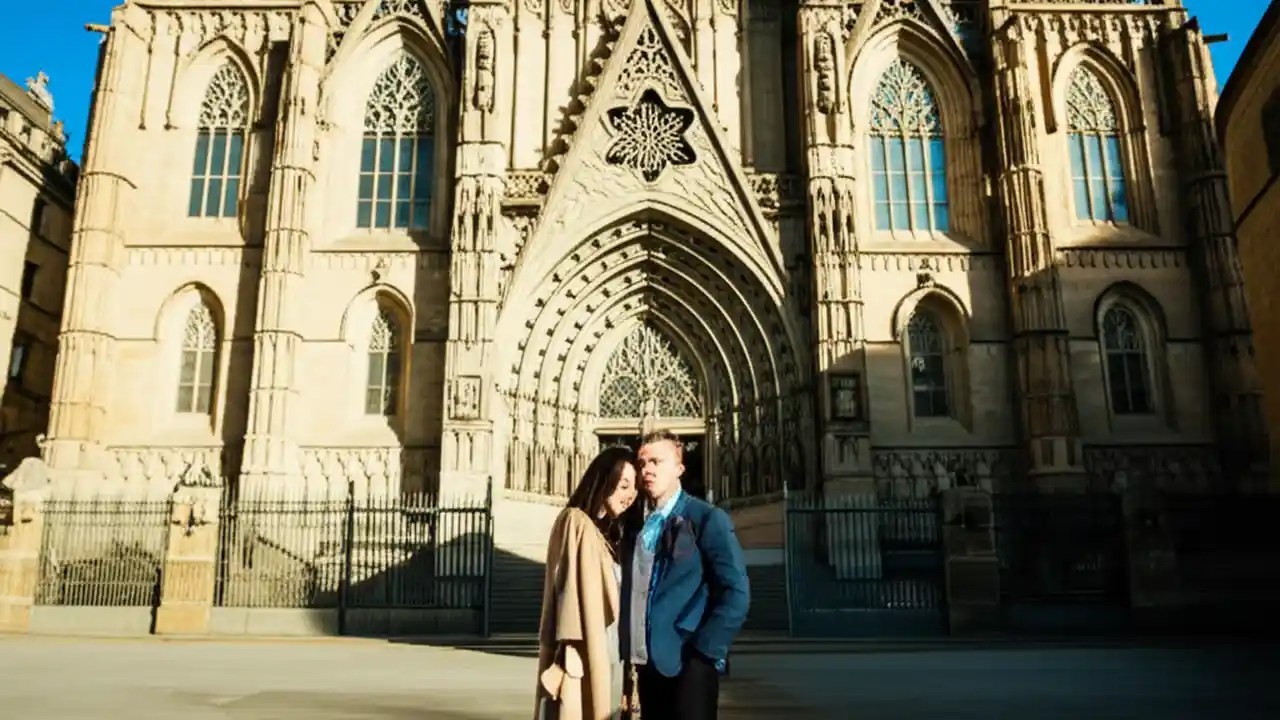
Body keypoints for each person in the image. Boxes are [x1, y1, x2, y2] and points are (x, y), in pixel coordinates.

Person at [621, 429, 750, 720]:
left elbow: (736, 592)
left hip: (689, 665)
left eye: (657, 461)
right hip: (648, 667)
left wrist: (704, 653)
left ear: (679, 468)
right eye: (642, 464)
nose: (647, 470)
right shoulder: (638, 526)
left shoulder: (706, 518)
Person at [535, 446, 640, 720]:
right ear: (604, 479)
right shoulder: (576, 522)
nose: (629, 495)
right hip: (586, 651)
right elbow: (573, 602)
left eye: (634, 488)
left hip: (608, 651)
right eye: (624, 484)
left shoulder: (602, 535)